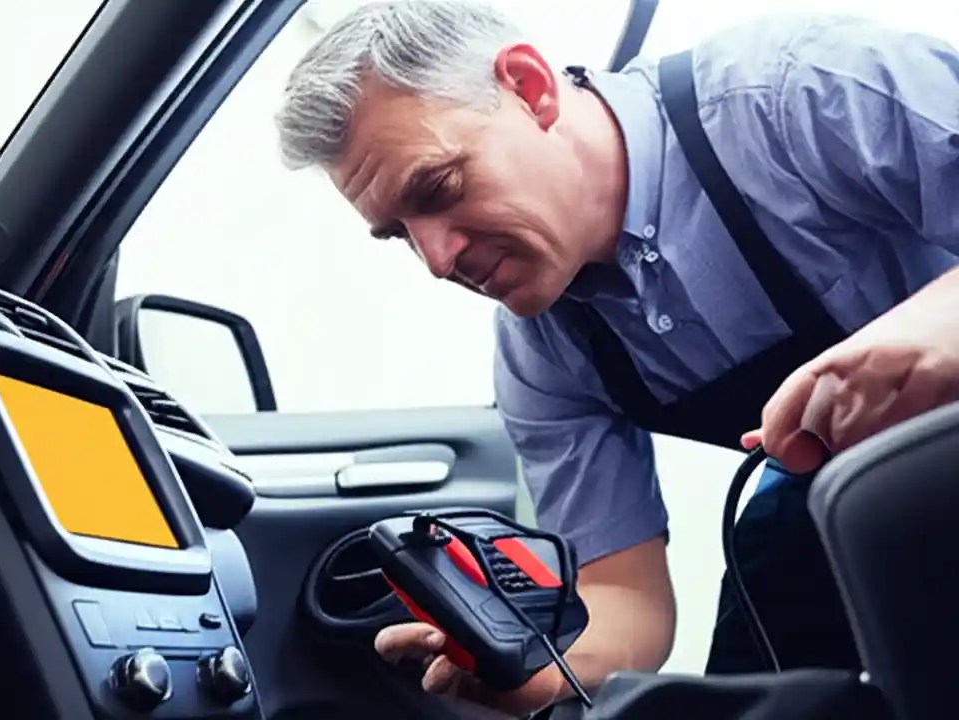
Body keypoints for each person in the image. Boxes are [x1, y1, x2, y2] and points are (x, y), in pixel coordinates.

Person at [273, 1, 959, 716]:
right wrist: (528, 670)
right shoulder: (542, 354)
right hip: (846, 509)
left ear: (530, 88)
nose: (437, 260)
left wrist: (932, 331)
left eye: (440, 188)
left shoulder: (802, 91)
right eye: (400, 236)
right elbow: (627, 597)